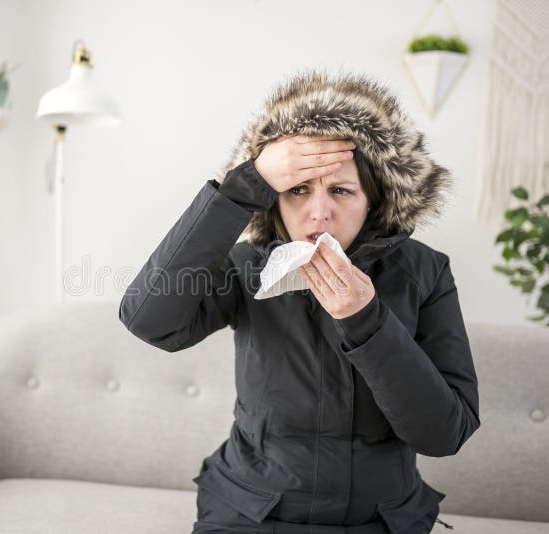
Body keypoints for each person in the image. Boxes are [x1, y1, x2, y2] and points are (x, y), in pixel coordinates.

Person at [119, 70, 480, 534]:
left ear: (376, 200)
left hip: (381, 519)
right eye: (298, 189)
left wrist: (367, 322)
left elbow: (444, 433)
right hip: (249, 513)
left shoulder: (425, 273)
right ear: (274, 199)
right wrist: (241, 188)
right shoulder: (246, 265)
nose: (319, 211)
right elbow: (149, 320)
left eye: (342, 191)